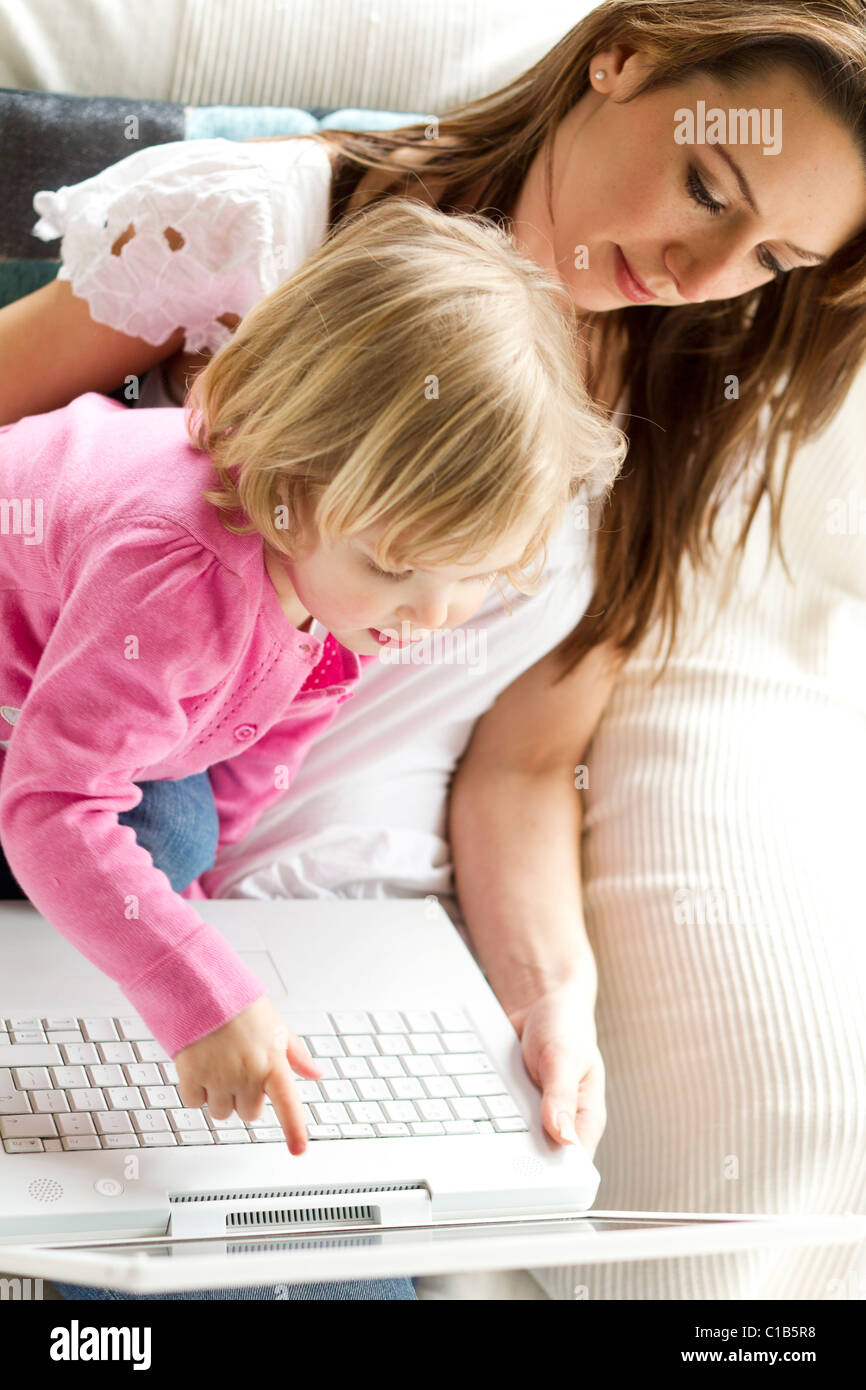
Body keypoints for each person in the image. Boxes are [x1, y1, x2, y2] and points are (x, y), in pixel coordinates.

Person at [2, 0, 865, 1300]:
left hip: (340, 926)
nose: (702, 271)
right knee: (164, 851)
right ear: (618, 55)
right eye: (705, 182)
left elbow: (520, 770)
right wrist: (190, 949)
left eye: (771, 257)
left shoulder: (668, 426)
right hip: (108, 825)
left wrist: (547, 997)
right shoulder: (261, 228)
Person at [0, 197, 624, 1301]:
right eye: (398, 571)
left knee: (185, 828)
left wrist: (213, 919)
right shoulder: (175, 576)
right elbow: (51, 805)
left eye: (470, 577)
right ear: (286, 490)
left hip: (89, 707)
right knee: (154, 833)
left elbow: (266, 725)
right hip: (29, 734)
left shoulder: (352, 587)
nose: (428, 619)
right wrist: (195, 990)